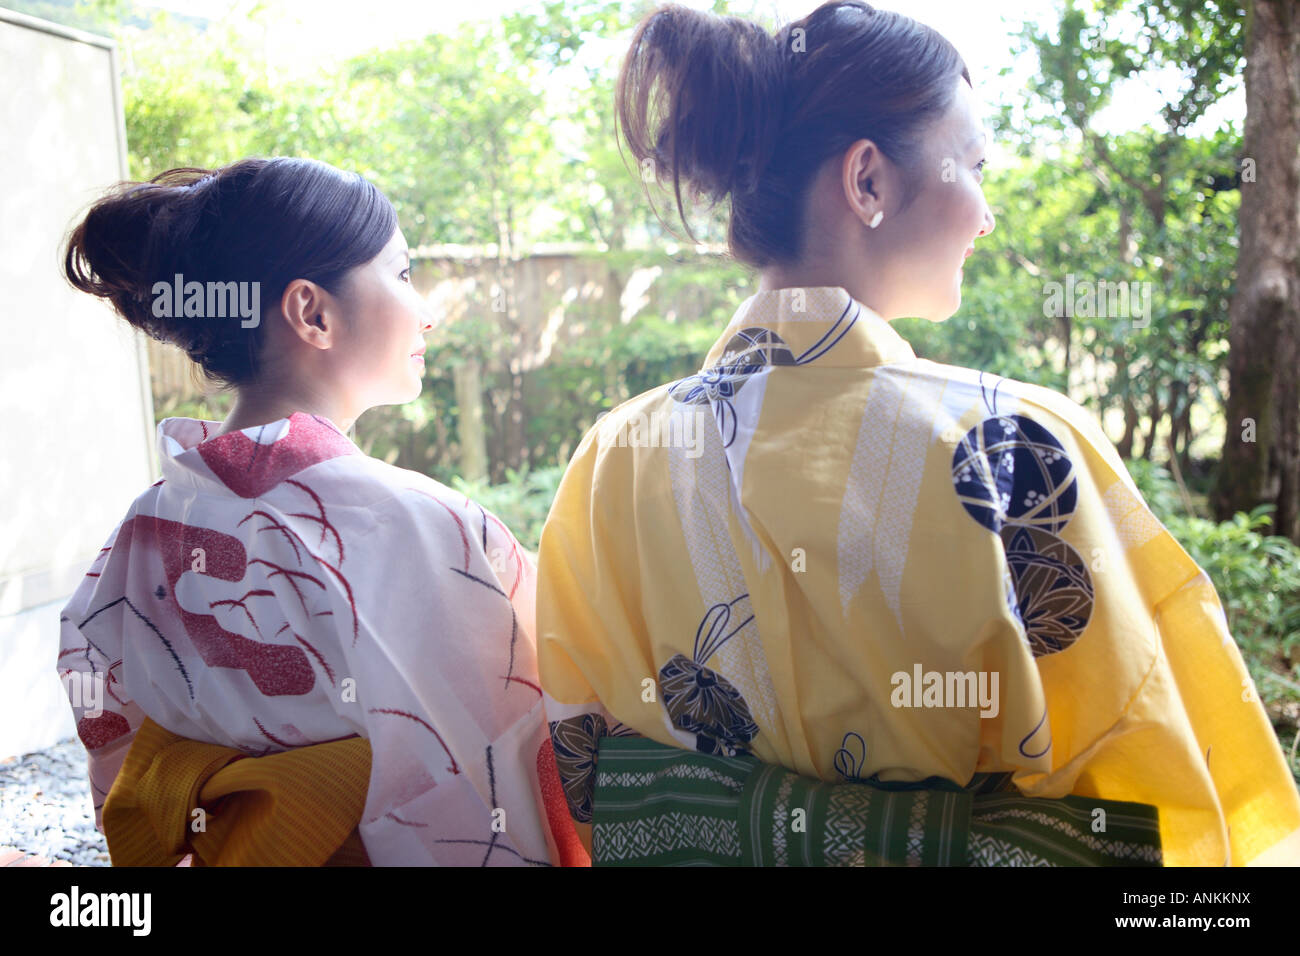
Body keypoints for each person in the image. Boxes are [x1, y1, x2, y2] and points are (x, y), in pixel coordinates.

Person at [536, 1, 1300, 866]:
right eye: (974, 165)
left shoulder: (610, 463)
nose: (987, 214)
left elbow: (588, 768)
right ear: (867, 181)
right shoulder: (1010, 442)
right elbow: (1155, 787)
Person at [58, 157, 583, 866]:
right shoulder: (418, 527)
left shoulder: (142, 529)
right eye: (401, 274)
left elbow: (113, 745)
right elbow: (504, 763)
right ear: (312, 311)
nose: (425, 308)